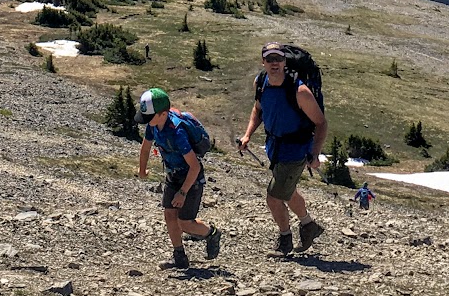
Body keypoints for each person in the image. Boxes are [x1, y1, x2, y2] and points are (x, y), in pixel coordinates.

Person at [237, 43, 327, 255]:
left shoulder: (300, 91)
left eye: (278, 58)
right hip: (275, 147)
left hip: (296, 149)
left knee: (273, 197)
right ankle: (308, 225)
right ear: (263, 62)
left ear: (285, 62)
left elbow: (321, 123)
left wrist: (315, 153)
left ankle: (285, 239)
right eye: (270, 59)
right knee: (286, 191)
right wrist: (248, 134)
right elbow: (258, 109)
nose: (274, 63)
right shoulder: (260, 83)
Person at [136, 87, 222, 270]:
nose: (146, 122)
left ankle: (211, 233)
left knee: (185, 223)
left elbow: (195, 166)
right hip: (173, 175)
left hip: (191, 179)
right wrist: (142, 170)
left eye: (149, 117)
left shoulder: (177, 133)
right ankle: (179, 257)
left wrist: (183, 193)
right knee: (169, 215)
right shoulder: (153, 126)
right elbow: (145, 148)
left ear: (163, 114)